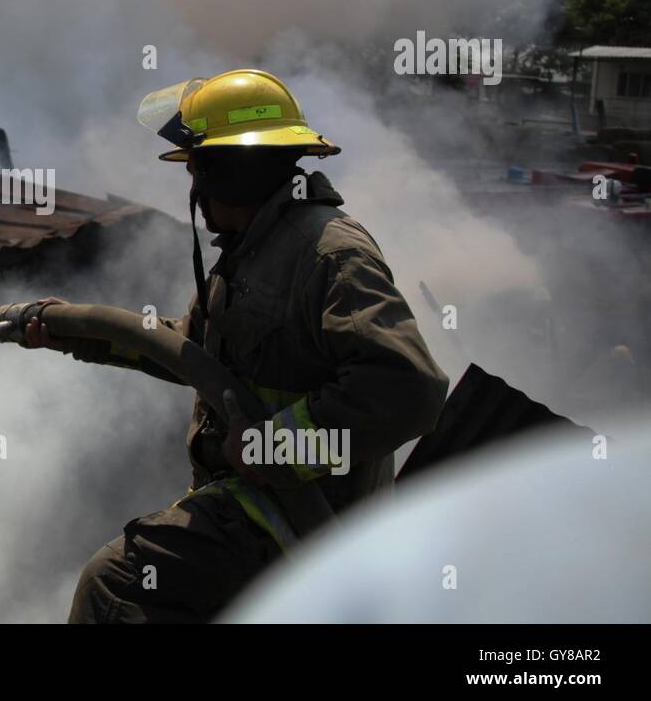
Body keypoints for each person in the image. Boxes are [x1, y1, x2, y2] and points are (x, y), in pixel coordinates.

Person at [24, 69, 448, 622]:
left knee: (118, 584)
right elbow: (192, 353)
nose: (194, 192)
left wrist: (273, 447)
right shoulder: (252, 250)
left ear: (229, 173)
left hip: (309, 517)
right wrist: (78, 333)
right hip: (252, 501)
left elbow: (407, 388)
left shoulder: (327, 254)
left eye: (198, 168)